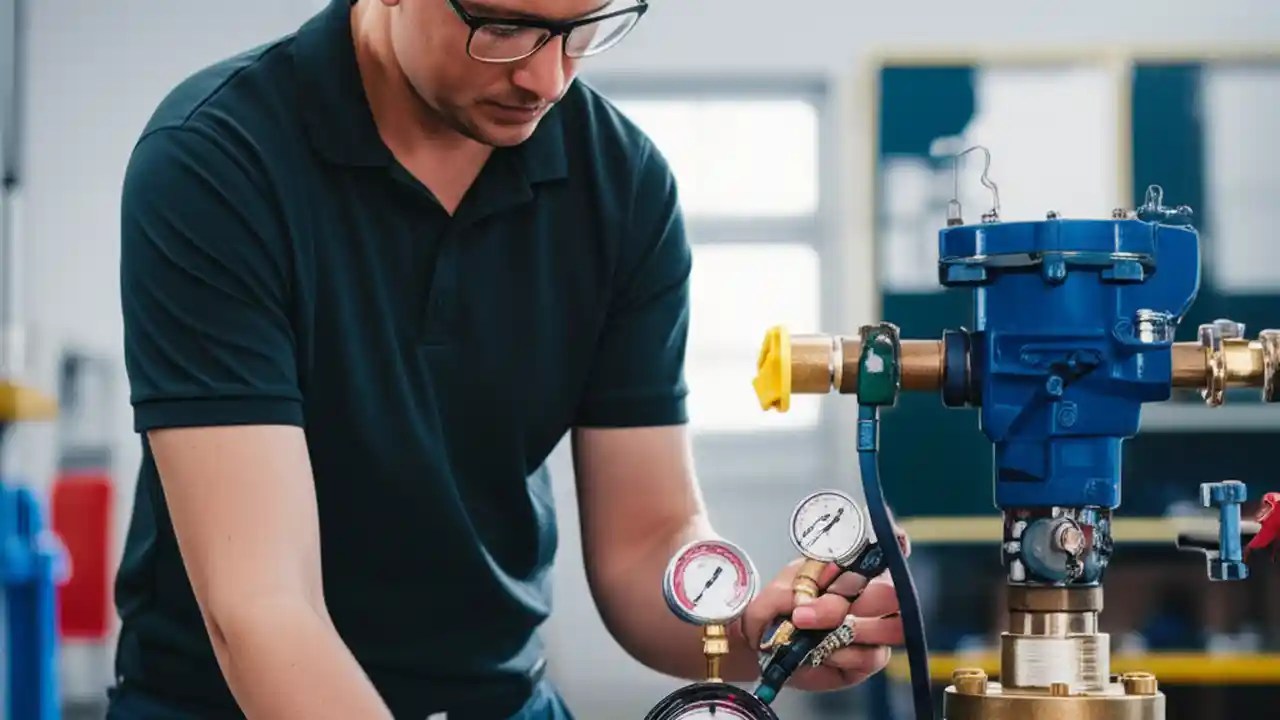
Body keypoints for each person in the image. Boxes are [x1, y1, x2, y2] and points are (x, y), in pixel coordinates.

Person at [110, 0, 908, 717]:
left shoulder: (620, 186)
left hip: (501, 698)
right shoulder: (218, 160)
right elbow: (261, 607)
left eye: (581, 29)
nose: (545, 77)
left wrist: (756, 630)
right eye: (502, 27)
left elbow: (645, 540)